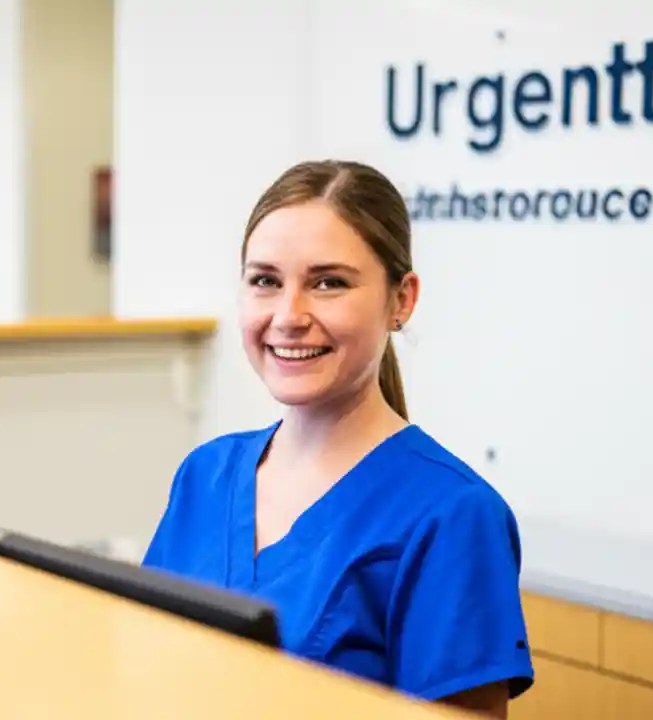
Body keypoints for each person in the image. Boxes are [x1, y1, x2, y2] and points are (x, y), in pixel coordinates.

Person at [141, 159, 534, 717]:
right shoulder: (205, 475)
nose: (288, 315)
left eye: (328, 283)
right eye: (266, 281)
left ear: (402, 300)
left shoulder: (452, 517)